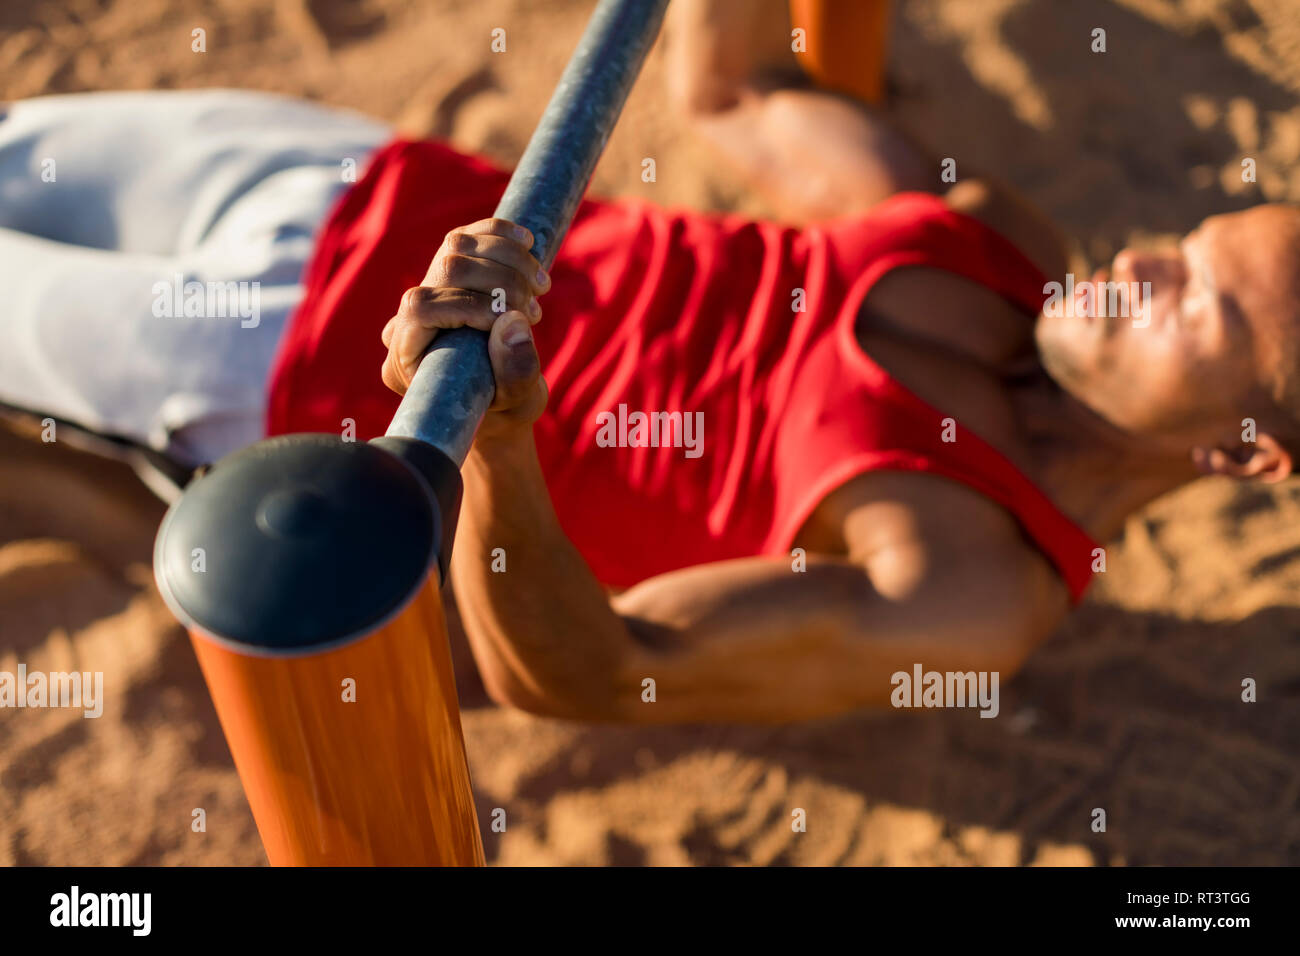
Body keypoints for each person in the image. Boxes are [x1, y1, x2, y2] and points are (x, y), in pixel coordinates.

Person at [3, 1, 1297, 724]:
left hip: (285, 364)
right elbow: (731, 94)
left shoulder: (971, 589)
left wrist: (502, 439)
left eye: (1200, 303)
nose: (1144, 262)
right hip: (366, 179)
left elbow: (594, 674)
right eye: (1187, 240)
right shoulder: (1005, 245)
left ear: (1240, 452)